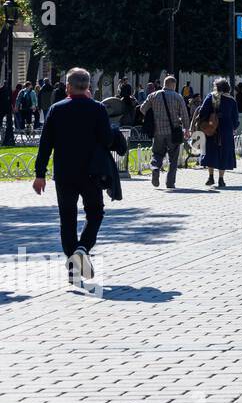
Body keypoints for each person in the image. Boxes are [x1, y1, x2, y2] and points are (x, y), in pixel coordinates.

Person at [32, 68, 125, 285]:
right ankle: (83, 248)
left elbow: (45, 145)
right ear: (88, 87)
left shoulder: (56, 109)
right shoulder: (97, 109)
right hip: (92, 172)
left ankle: (73, 264)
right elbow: (106, 140)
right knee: (95, 212)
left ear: (68, 86)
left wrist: (40, 174)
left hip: (64, 173)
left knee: (67, 218)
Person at [144, 76, 188, 189]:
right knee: (173, 158)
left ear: (164, 83)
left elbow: (142, 109)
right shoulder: (178, 97)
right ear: (173, 85)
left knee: (157, 153)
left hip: (157, 131)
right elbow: (184, 114)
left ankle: (155, 168)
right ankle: (170, 183)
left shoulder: (153, 95)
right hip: (173, 132)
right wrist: (187, 129)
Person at [197, 79, 239, 188]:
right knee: (224, 153)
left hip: (212, 128)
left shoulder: (211, 97)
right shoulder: (231, 100)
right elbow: (235, 119)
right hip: (226, 130)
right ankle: (221, 179)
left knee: (211, 151)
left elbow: (202, 112)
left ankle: (211, 176)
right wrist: (233, 127)